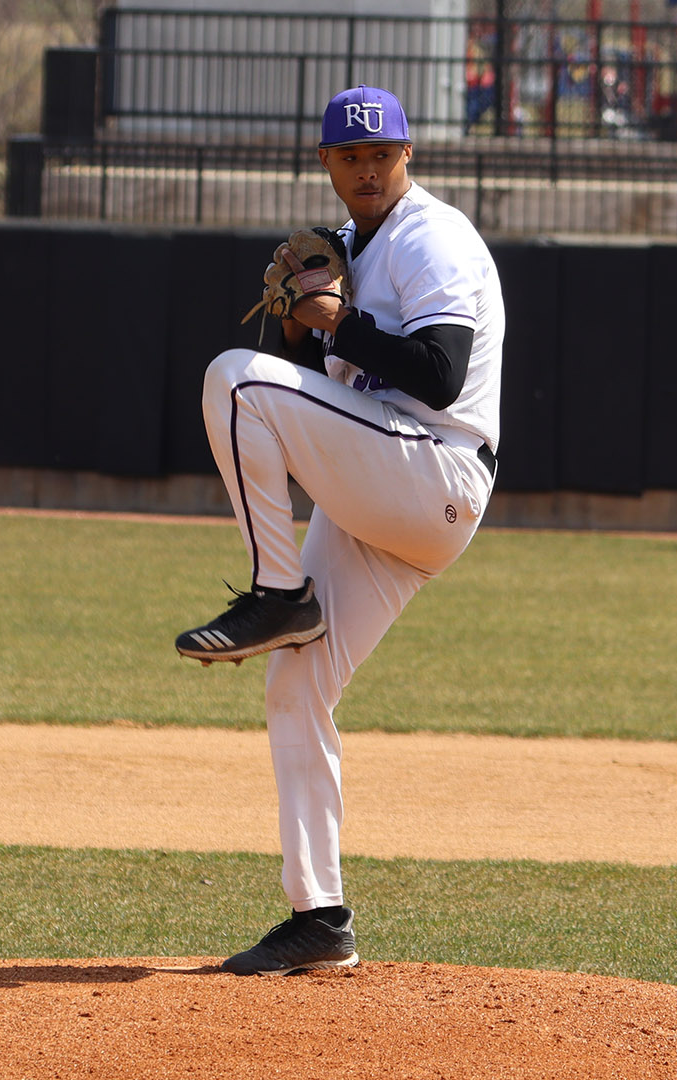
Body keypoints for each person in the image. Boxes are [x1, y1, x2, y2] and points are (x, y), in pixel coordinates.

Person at [174, 85, 504, 975]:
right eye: (349, 157)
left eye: (381, 153)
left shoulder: (431, 236)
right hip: (384, 487)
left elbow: (439, 373)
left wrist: (336, 321)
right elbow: (340, 394)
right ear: (326, 164)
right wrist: (311, 329)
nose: (366, 168)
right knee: (295, 689)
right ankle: (319, 917)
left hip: (433, 467)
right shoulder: (358, 249)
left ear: (408, 155)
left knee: (234, 378)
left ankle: (279, 592)